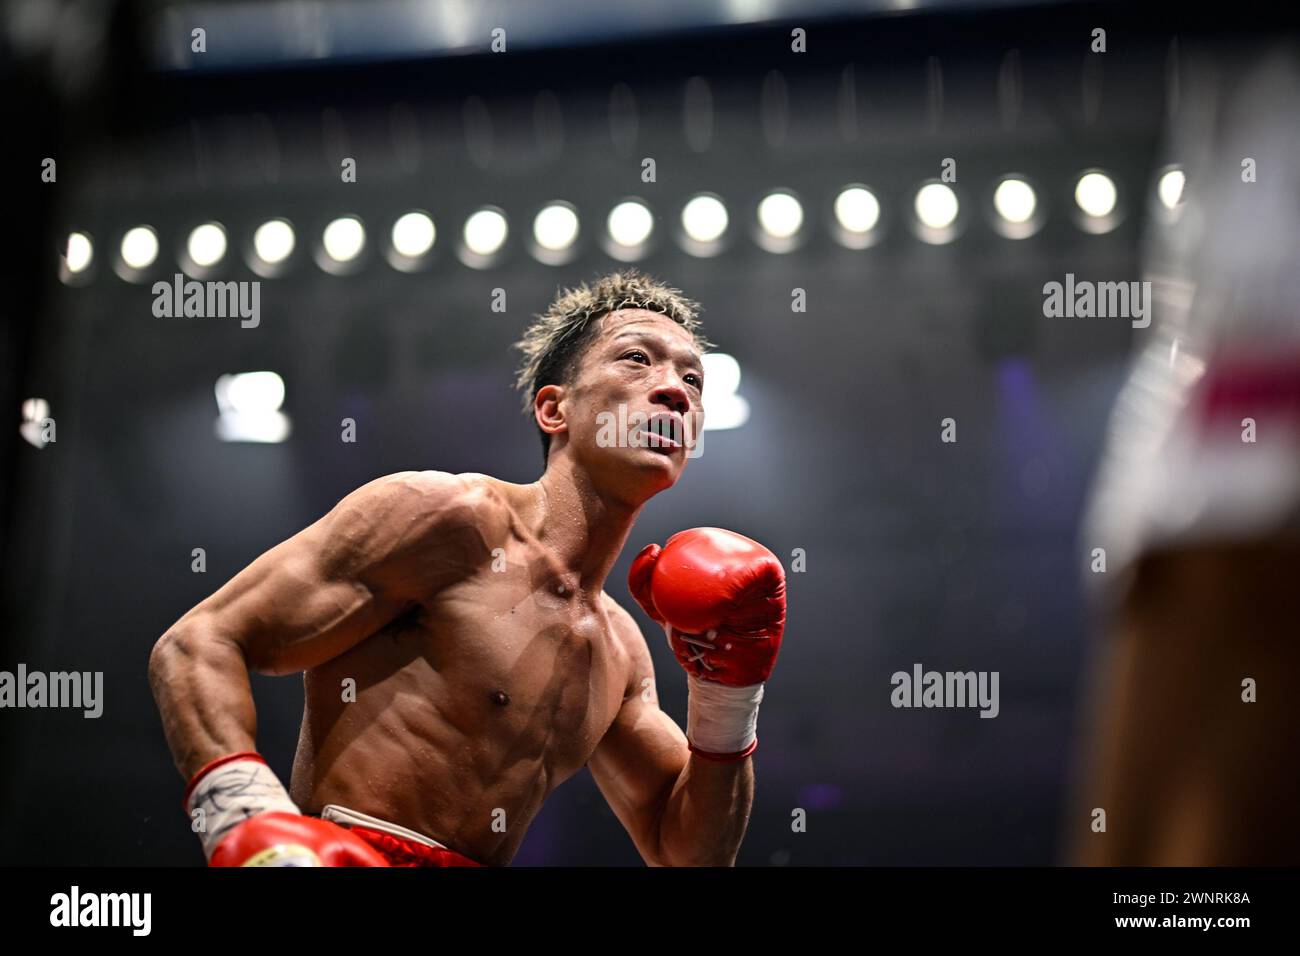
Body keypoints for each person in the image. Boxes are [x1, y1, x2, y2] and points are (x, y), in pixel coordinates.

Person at [148, 269, 787, 867]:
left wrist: (727, 700)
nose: (675, 388)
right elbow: (198, 641)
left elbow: (685, 851)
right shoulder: (448, 519)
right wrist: (245, 817)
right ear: (554, 410)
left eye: (693, 379)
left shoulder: (619, 650)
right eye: (637, 358)